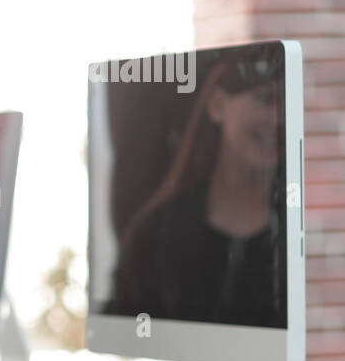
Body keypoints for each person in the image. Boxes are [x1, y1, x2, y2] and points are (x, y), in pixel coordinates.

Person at [108, 49, 286, 327]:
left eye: (287, 106)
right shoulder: (155, 233)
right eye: (265, 99)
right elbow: (124, 331)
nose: (278, 120)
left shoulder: (293, 231)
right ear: (217, 105)